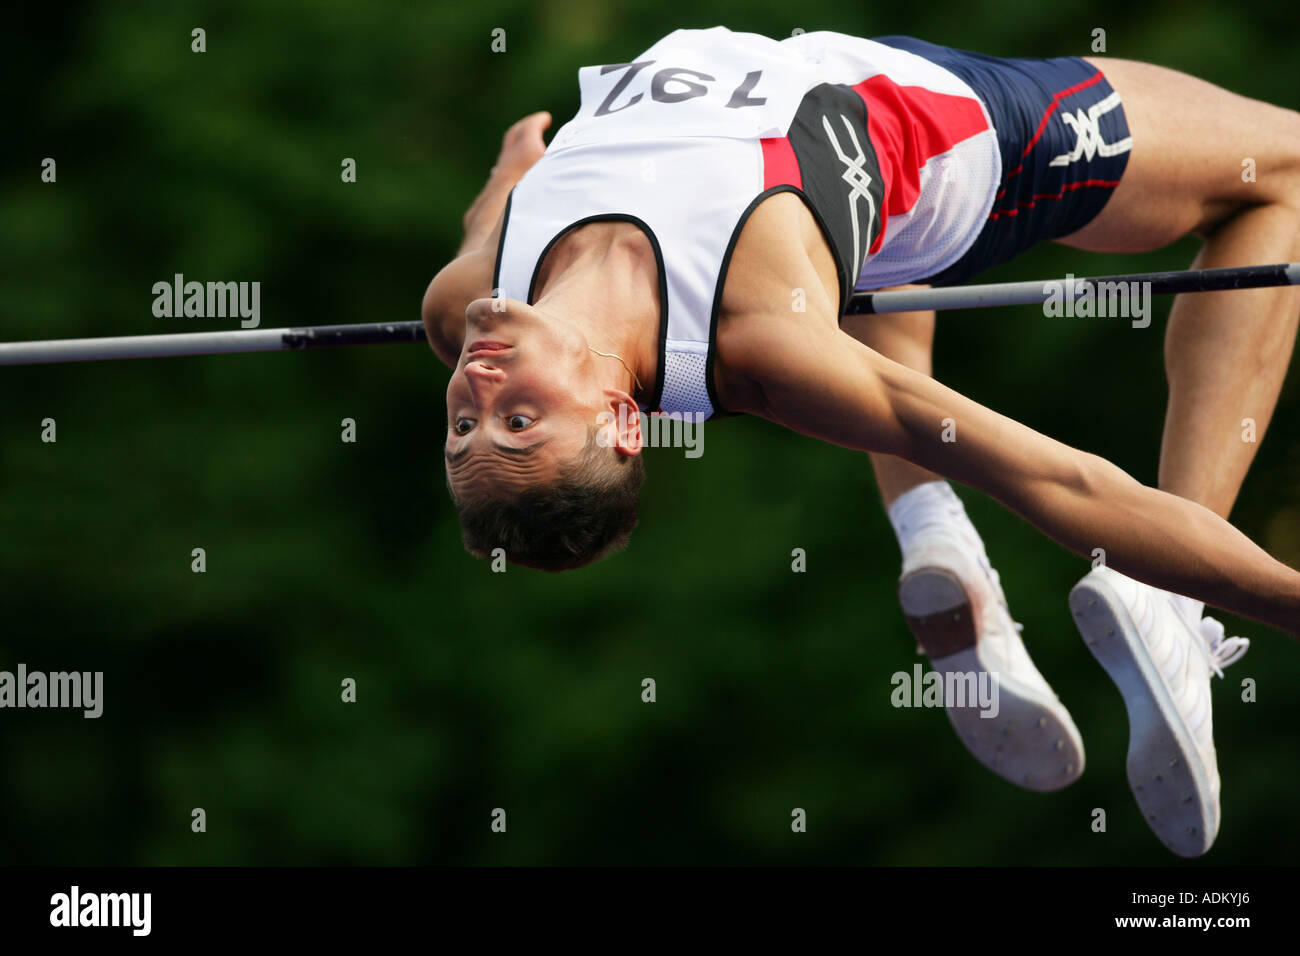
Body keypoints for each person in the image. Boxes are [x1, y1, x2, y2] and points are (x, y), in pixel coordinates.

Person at [420, 27, 1300, 856]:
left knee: (867, 264)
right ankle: (1172, 612)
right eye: (520, 422)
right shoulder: (761, 334)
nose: (482, 389)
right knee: (1286, 168)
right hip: (967, 139)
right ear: (618, 420)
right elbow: (1060, 484)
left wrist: (513, 167)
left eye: (464, 427)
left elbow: (492, 217)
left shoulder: (464, 303)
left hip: (845, 126)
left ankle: (933, 535)